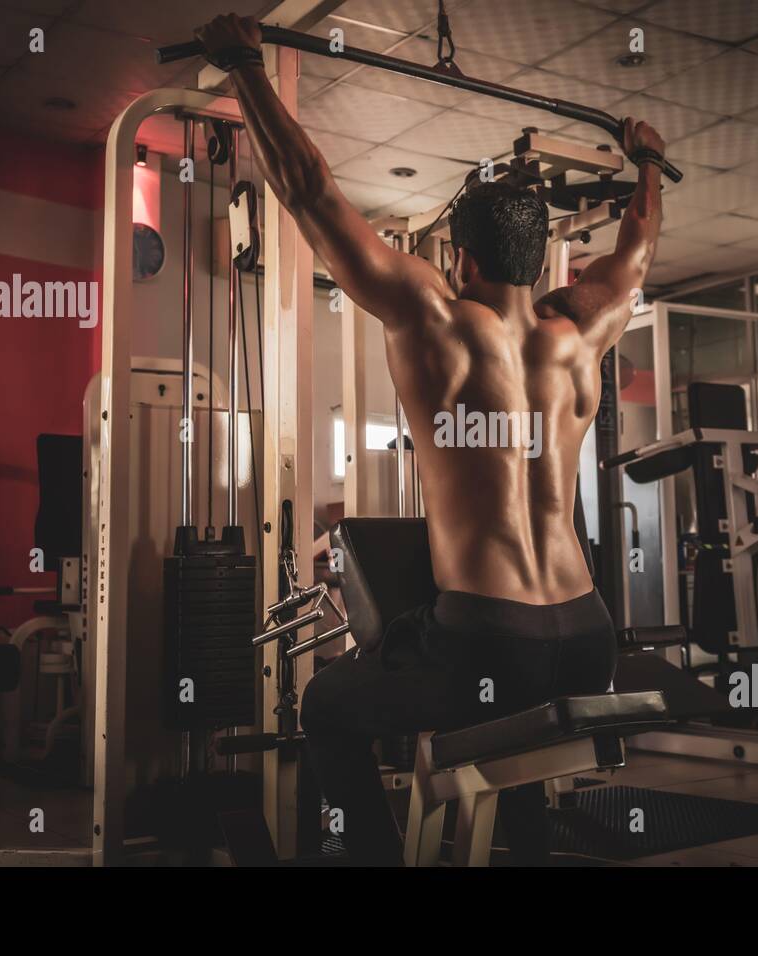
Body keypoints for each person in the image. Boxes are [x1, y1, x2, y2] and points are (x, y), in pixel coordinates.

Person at [196, 13, 665, 866]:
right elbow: (636, 251)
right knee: (508, 757)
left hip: (493, 636)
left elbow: (309, 192)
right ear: (542, 254)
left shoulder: (436, 319)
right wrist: (648, 165)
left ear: (461, 257)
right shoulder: (583, 332)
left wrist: (244, 69)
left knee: (328, 709)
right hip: (586, 636)